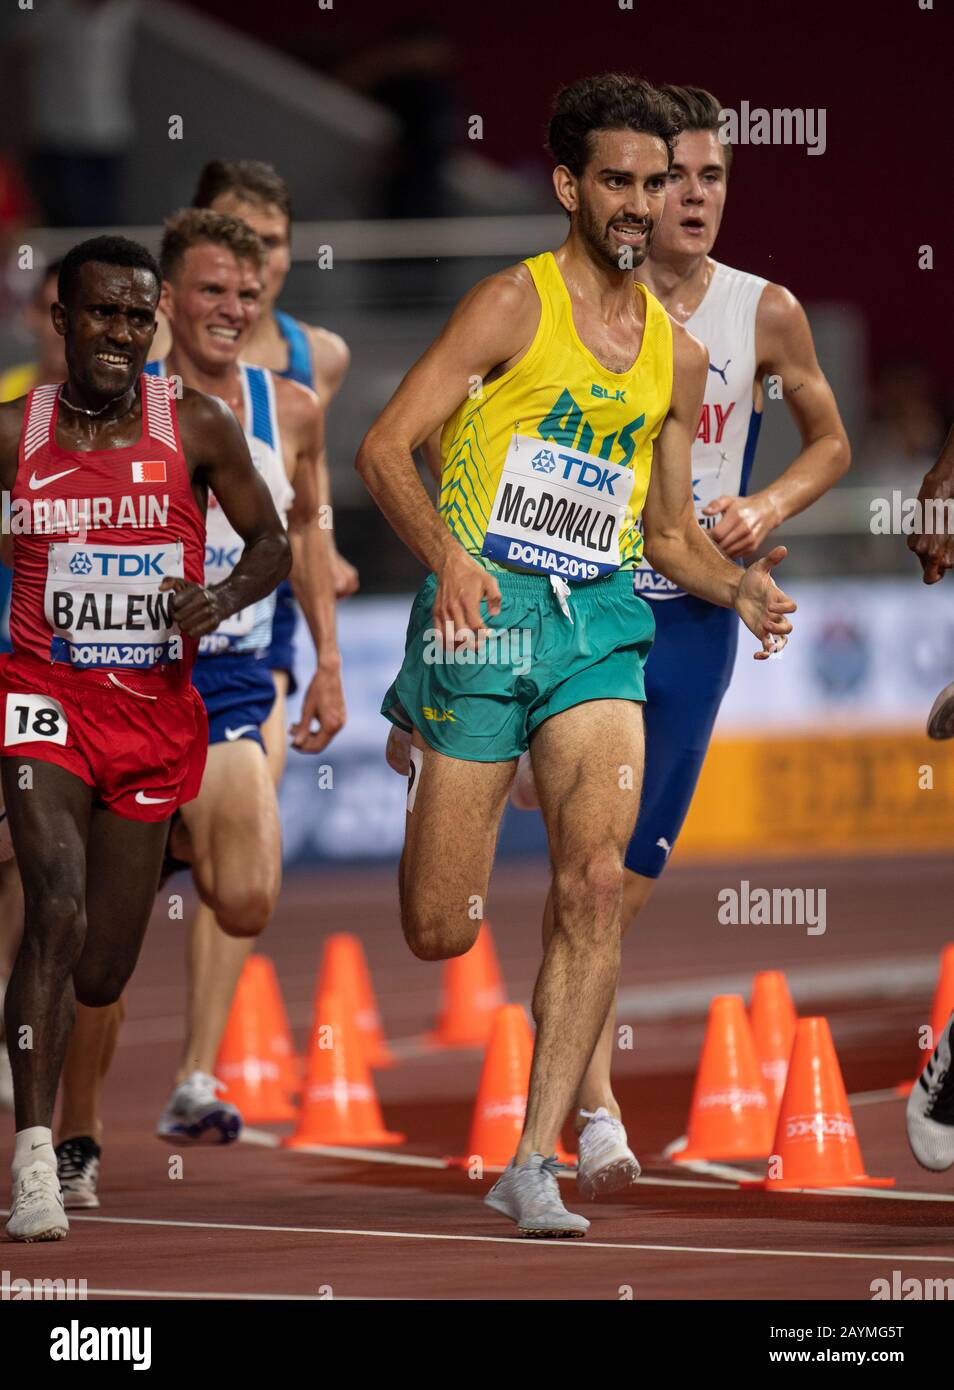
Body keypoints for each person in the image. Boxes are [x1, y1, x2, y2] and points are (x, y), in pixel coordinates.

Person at [358, 72, 795, 1237]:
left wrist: (739, 585)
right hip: (483, 614)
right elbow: (384, 446)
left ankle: (532, 1159)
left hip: (597, 620)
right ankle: (434, 749)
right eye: (619, 180)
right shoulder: (511, 304)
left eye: (658, 183)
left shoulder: (678, 354)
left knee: (597, 883)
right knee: (440, 925)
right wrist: (450, 556)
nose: (642, 204)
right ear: (567, 185)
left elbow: (663, 535)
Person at [506, 85, 850, 1190]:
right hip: (574, 606)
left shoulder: (765, 312)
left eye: (712, 178)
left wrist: (767, 511)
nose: (693, 198)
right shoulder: (570, 304)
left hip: (692, 616)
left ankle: (567, 1108)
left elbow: (832, 442)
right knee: (578, 878)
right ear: (634, 188)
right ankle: (588, 1114)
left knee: (618, 887)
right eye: (674, 177)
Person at [0, 233, 291, 1240]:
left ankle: (60, 1103)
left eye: (136, 315)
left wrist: (215, 596)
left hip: (155, 716)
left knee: (103, 968)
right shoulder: (13, 434)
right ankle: (33, 1159)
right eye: (101, 314)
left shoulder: (198, 428)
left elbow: (273, 543)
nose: (120, 332)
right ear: (63, 318)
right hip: (43, 701)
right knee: (56, 909)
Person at [53, 210, 345, 1210]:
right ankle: (73, 1137)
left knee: (250, 895)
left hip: (222, 677)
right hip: (100, 682)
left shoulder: (286, 408)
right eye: (212, 290)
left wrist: (327, 661)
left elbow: (303, 530)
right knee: (86, 936)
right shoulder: (107, 408)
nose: (234, 308)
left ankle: (173, 842)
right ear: (167, 303)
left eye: (249, 291)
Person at [0, 258, 66, 1112]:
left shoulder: (141, 414)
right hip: (7, 626)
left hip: (62, 664)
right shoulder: (14, 405)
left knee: (24, 853)